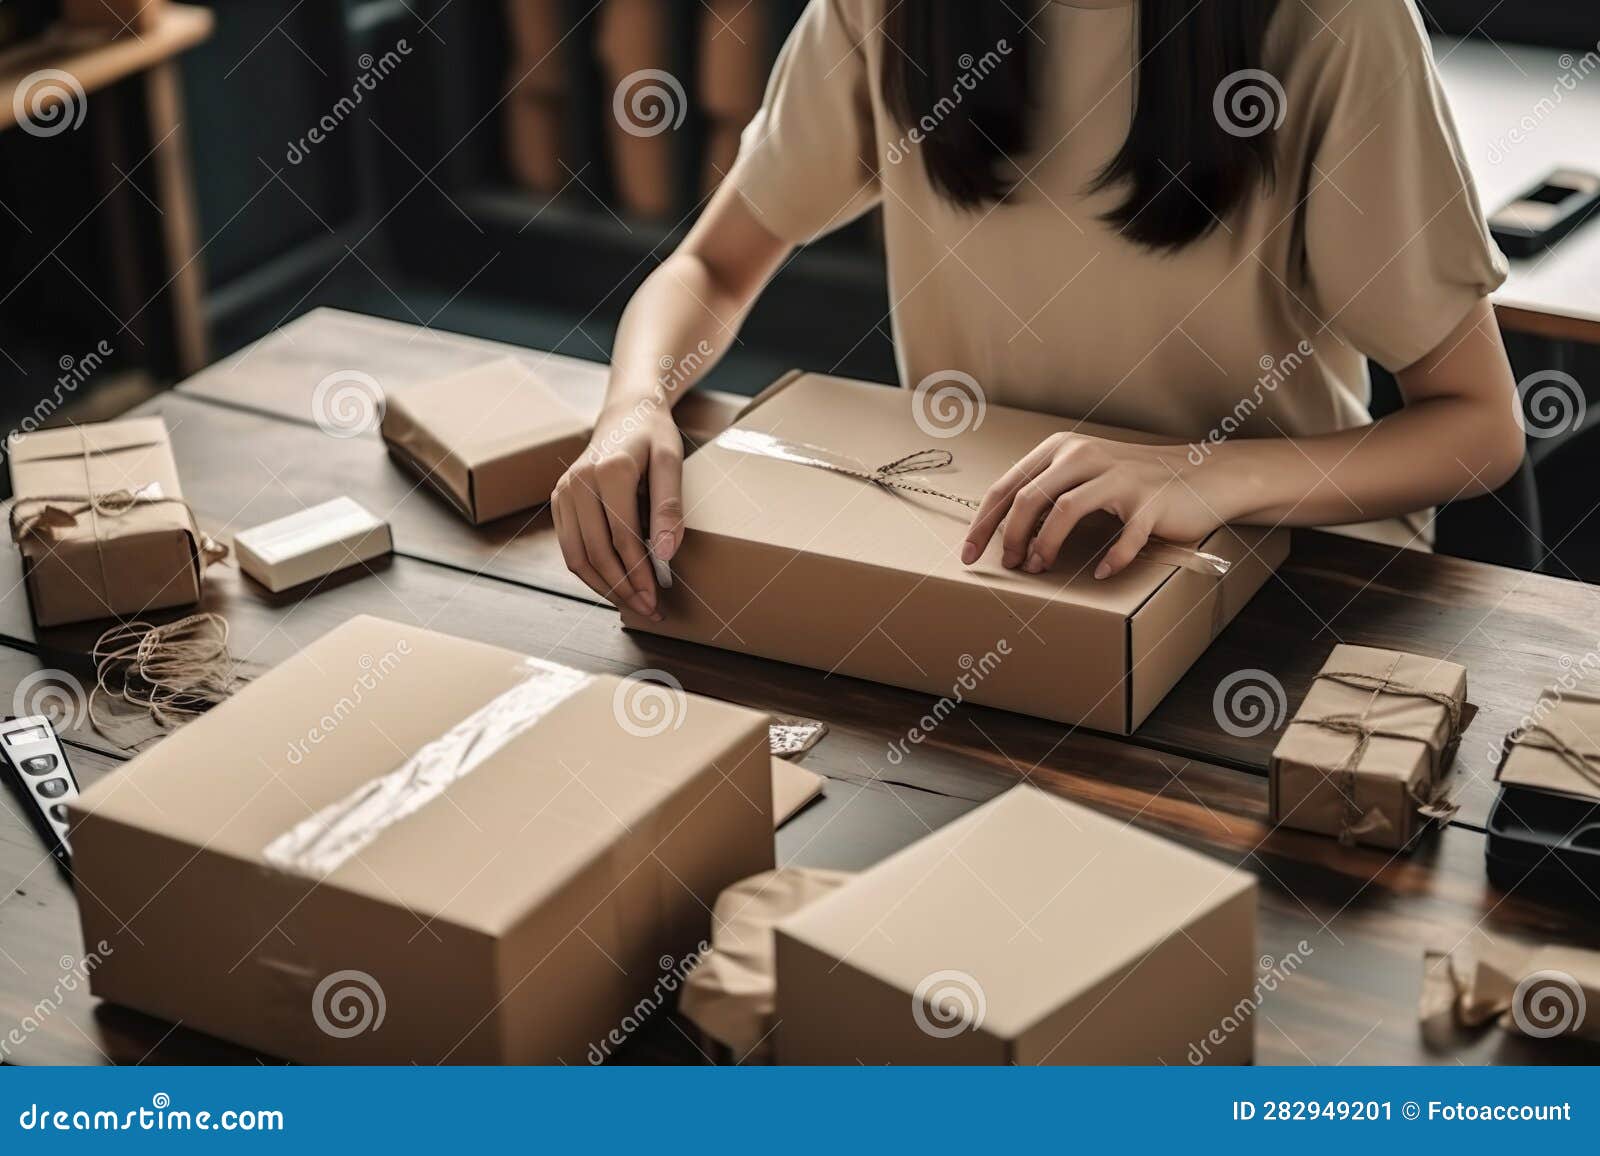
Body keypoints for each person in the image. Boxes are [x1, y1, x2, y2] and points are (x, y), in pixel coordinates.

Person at [553, 0, 1523, 622]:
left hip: (1287, 581)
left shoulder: (1336, 24)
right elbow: (709, 270)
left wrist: (1201, 474)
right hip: (996, 561)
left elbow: (1479, 426)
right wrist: (633, 403)